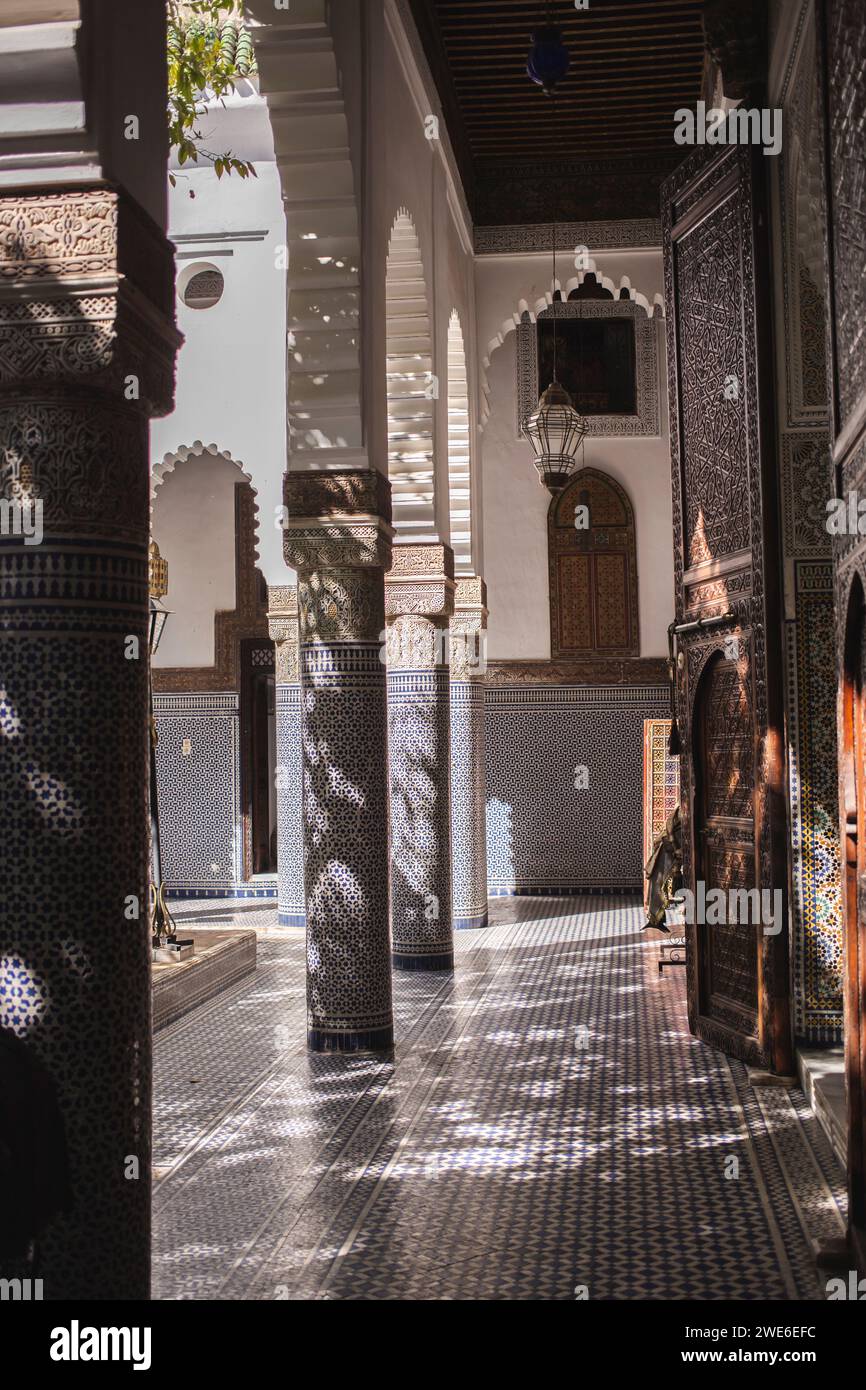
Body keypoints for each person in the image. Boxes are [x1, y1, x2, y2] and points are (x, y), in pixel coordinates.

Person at [643, 805, 682, 933]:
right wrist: (675, 845)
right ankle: (656, 919)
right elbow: (670, 823)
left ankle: (658, 919)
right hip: (668, 850)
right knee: (658, 882)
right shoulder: (682, 805)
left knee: (663, 884)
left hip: (677, 851)